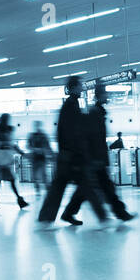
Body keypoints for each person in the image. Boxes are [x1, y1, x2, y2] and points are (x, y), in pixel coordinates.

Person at [37, 76, 109, 227]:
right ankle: (103, 218)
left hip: (67, 155)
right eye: (80, 85)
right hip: (72, 156)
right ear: (75, 87)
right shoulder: (71, 105)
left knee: (59, 187)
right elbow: (73, 132)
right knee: (86, 186)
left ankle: (47, 218)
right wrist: (80, 152)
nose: (82, 88)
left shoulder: (70, 104)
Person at [64, 82, 134, 222]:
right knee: (104, 187)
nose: (107, 96)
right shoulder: (95, 112)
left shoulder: (98, 111)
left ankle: (69, 213)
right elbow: (94, 137)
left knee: (88, 188)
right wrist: (97, 157)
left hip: (96, 157)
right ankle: (120, 213)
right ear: (99, 95)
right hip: (96, 158)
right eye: (105, 93)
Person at [0, 114, 28, 210]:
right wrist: (19, 151)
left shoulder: (1, 130)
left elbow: (6, 144)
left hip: (2, 160)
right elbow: (7, 144)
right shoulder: (3, 131)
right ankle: (20, 201)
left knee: (1, 181)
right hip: (3, 160)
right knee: (10, 181)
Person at [27, 122, 52, 193]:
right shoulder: (32, 136)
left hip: (41, 157)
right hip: (35, 157)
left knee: (43, 173)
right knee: (35, 174)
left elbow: (48, 146)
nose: (37, 128)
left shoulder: (43, 136)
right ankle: (38, 187)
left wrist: (47, 152)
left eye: (38, 126)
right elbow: (28, 146)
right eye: (36, 126)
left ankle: (46, 187)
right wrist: (35, 149)